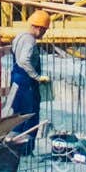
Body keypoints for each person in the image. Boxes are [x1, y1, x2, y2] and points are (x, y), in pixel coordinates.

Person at [9, 11, 51, 156]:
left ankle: (14, 149)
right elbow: (23, 61)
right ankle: (25, 151)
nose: (44, 33)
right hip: (26, 83)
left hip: (16, 80)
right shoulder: (30, 41)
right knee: (30, 116)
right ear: (38, 27)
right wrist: (37, 77)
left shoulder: (19, 37)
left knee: (17, 115)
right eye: (44, 30)